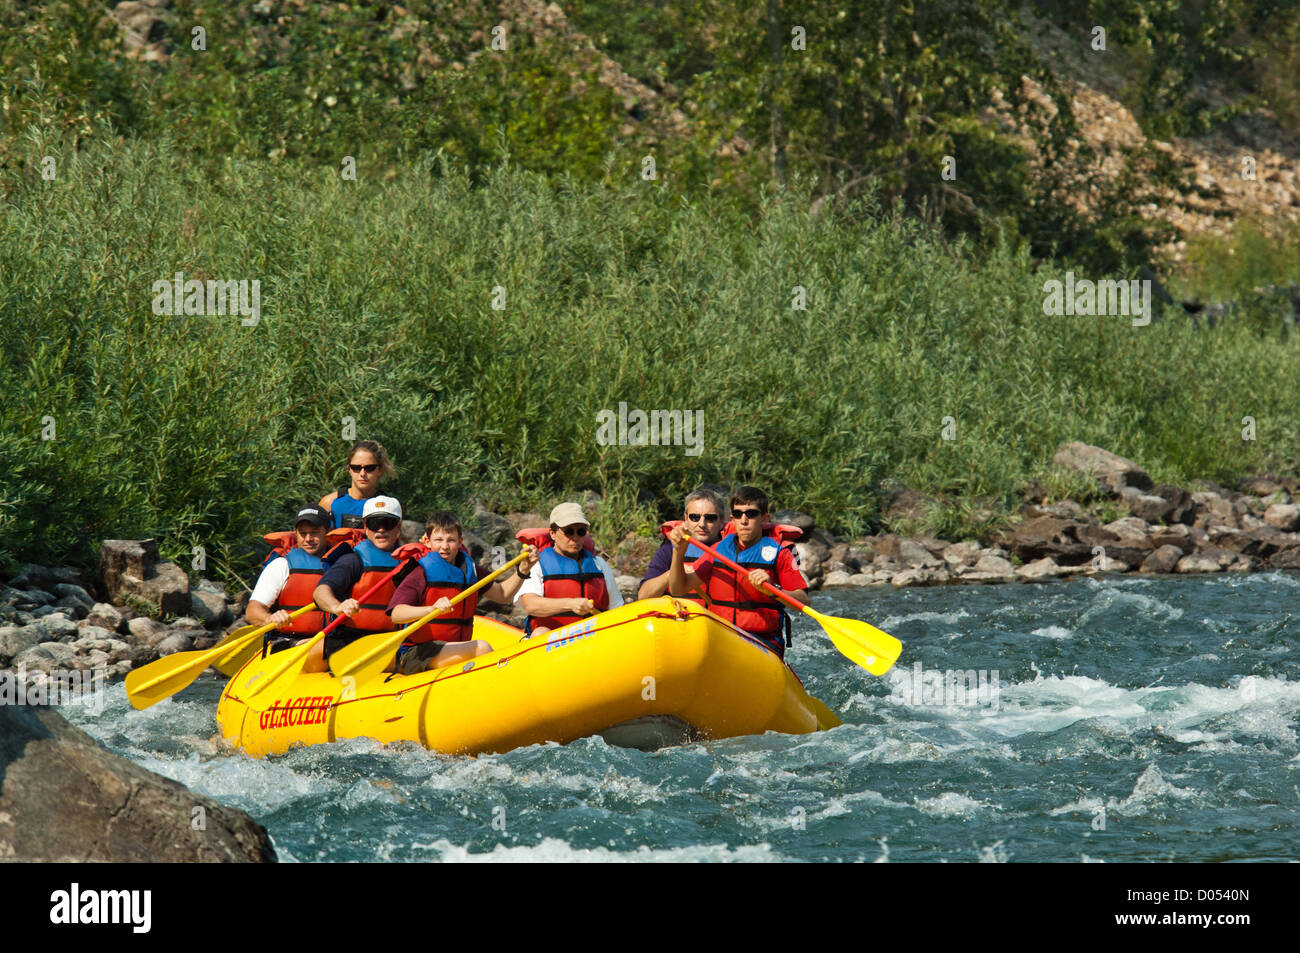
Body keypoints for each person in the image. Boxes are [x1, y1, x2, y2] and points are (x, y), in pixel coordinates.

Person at [386, 511, 539, 675]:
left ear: (460, 542)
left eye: (451, 540)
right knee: (481, 648)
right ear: (428, 542)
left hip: (453, 649)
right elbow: (396, 613)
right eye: (438, 540)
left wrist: (523, 570)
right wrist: (430, 609)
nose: (444, 546)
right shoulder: (420, 571)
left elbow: (502, 595)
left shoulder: (469, 569)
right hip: (417, 653)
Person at [668, 485, 809, 658]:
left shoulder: (780, 554)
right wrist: (678, 552)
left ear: (764, 518)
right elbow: (678, 589)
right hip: (723, 636)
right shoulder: (718, 550)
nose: (743, 520)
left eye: (751, 514)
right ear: (732, 518)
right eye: (738, 514)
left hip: (762, 641)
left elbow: (803, 602)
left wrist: (773, 591)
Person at [311, 496, 407, 669]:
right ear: (365, 526)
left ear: (399, 527)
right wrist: (337, 607)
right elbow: (321, 592)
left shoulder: (408, 563)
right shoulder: (353, 560)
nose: (381, 529)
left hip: (390, 642)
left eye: (388, 523)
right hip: (349, 642)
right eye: (374, 523)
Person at [515, 502, 624, 636]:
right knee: (540, 632)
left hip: (593, 639)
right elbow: (531, 605)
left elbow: (617, 609)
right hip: (553, 642)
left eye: (581, 531)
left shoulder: (599, 564)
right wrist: (570, 604)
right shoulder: (535, 564)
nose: (575, 538)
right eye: (568, 531)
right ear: (553, 533)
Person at [246, 505, 333, 655]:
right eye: (303, 533)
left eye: (314, 533)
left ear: (327, 532)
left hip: (329, 641)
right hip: (288, 642)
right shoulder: (281, 565)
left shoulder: (342, 563)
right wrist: (269, 618)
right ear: (295, 534)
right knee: (323, 646)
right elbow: (252, 611)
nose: (308, 539)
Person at [637, 488, 727, 601]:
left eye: (710, 518)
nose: (702, 524)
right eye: (695, 517)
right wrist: (675, 572)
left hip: (717, 618)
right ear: (686, 519)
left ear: (721, 521)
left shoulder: (733, 550)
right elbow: (643, 596)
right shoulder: (670, 549)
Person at [318, 440, 398, 529]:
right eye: (356, 468)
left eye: (369, 468)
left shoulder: (389, 506)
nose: (362, 473)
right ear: (348, 468)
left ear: (380, 469)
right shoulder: (328, 503)